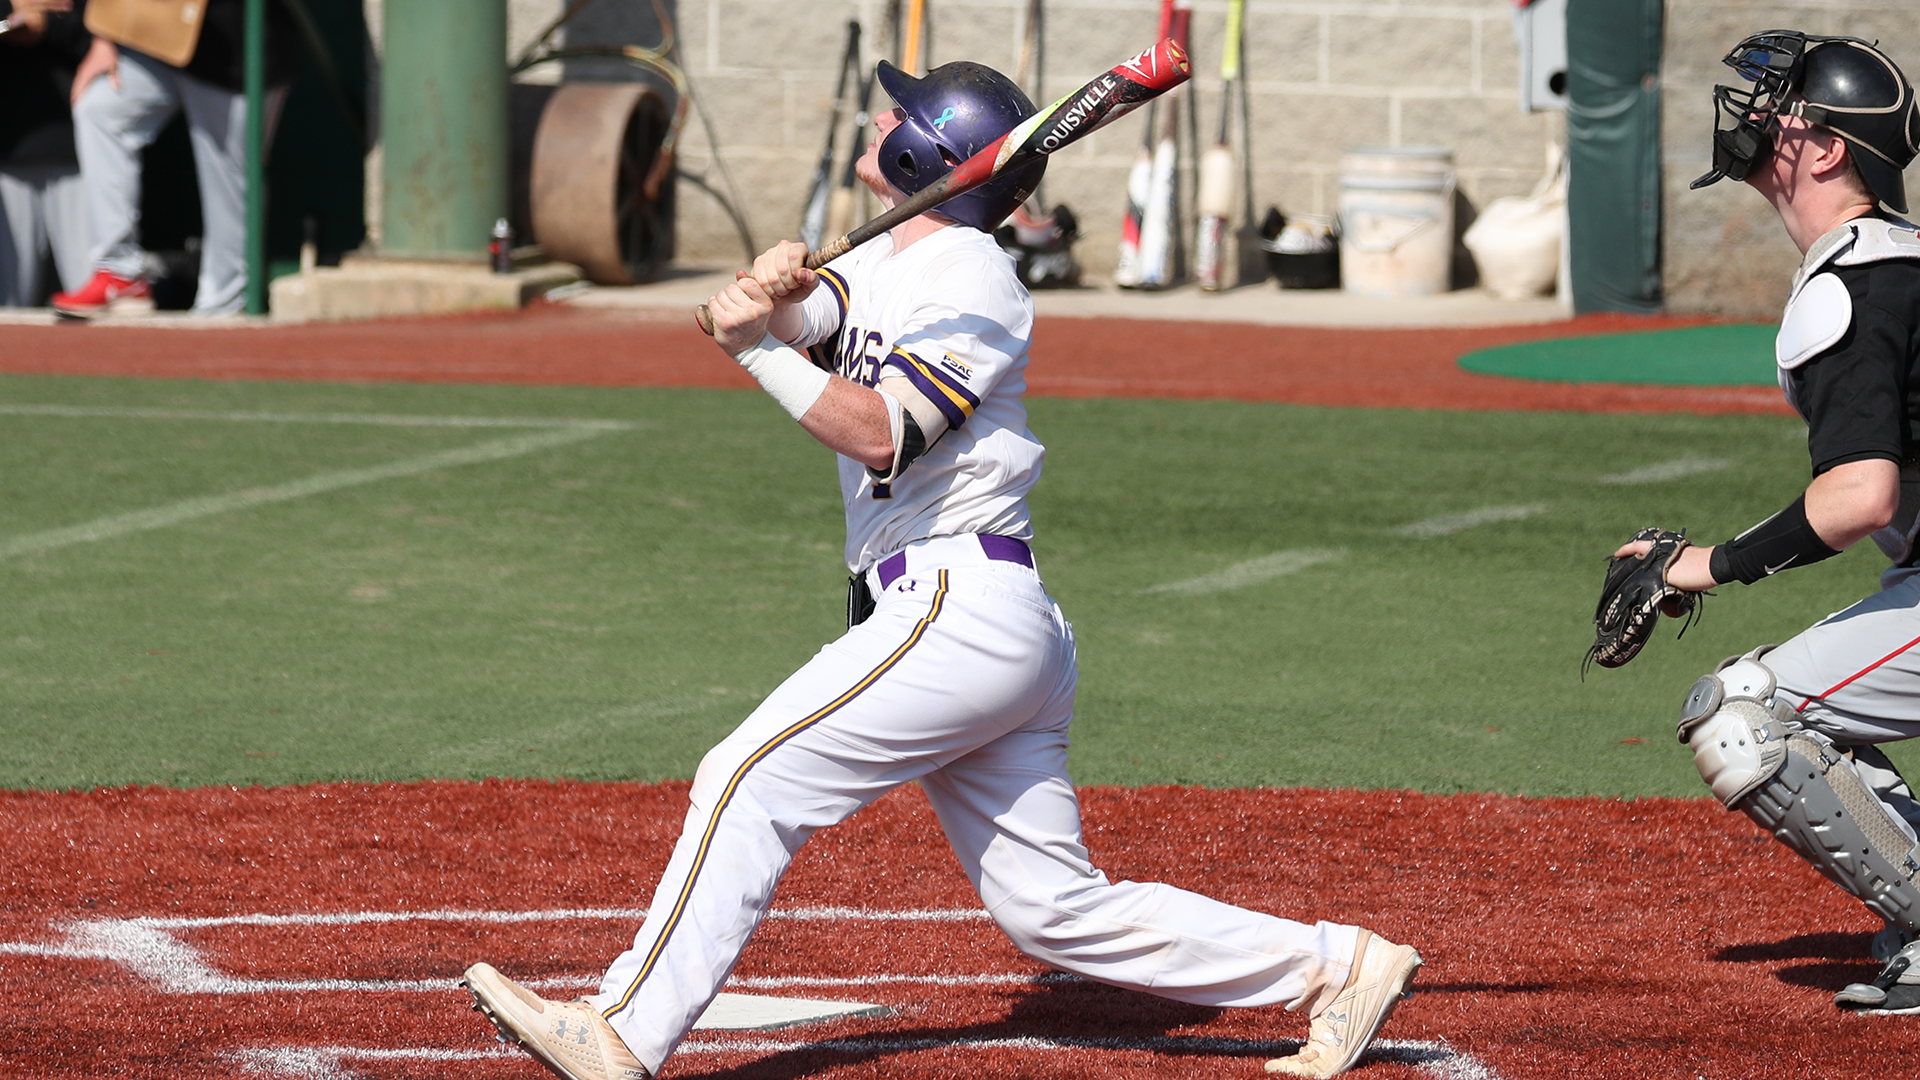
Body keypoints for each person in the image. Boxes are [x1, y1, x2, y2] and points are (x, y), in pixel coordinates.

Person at [462, 59, 1422, 1080]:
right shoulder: (880, 262)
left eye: (901, 112)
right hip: (969, 620)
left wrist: (753, 349)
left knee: (747, 778)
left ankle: (621, 1031)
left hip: (958, 610)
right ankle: (1339, 966)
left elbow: (882, 435)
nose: (881, 115)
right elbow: (811, 320)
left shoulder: (976, 276)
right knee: (1054, 913)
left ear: (934, 150)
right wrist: (770, 295)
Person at [1616, 31, 1920, 1014]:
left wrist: (1699, 565)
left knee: (1747, 714)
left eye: (1782, 105)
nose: (1756, 118)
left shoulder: (1857, 283)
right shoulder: (1894, 265)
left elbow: (1858, 496)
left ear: (1827, 149)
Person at [51, 0, 295, 316]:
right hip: (160, 39)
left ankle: (224, 305)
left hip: (238, 48)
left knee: (229, 180)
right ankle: (120, 272)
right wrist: (104, 37)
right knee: (101, 110)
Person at [0, 0, 92, 306]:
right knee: (9, 307)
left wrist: (48, 25)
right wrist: (10, 10)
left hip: (79, 155)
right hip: (8, 159)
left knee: (93, 298)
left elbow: (106, 34)